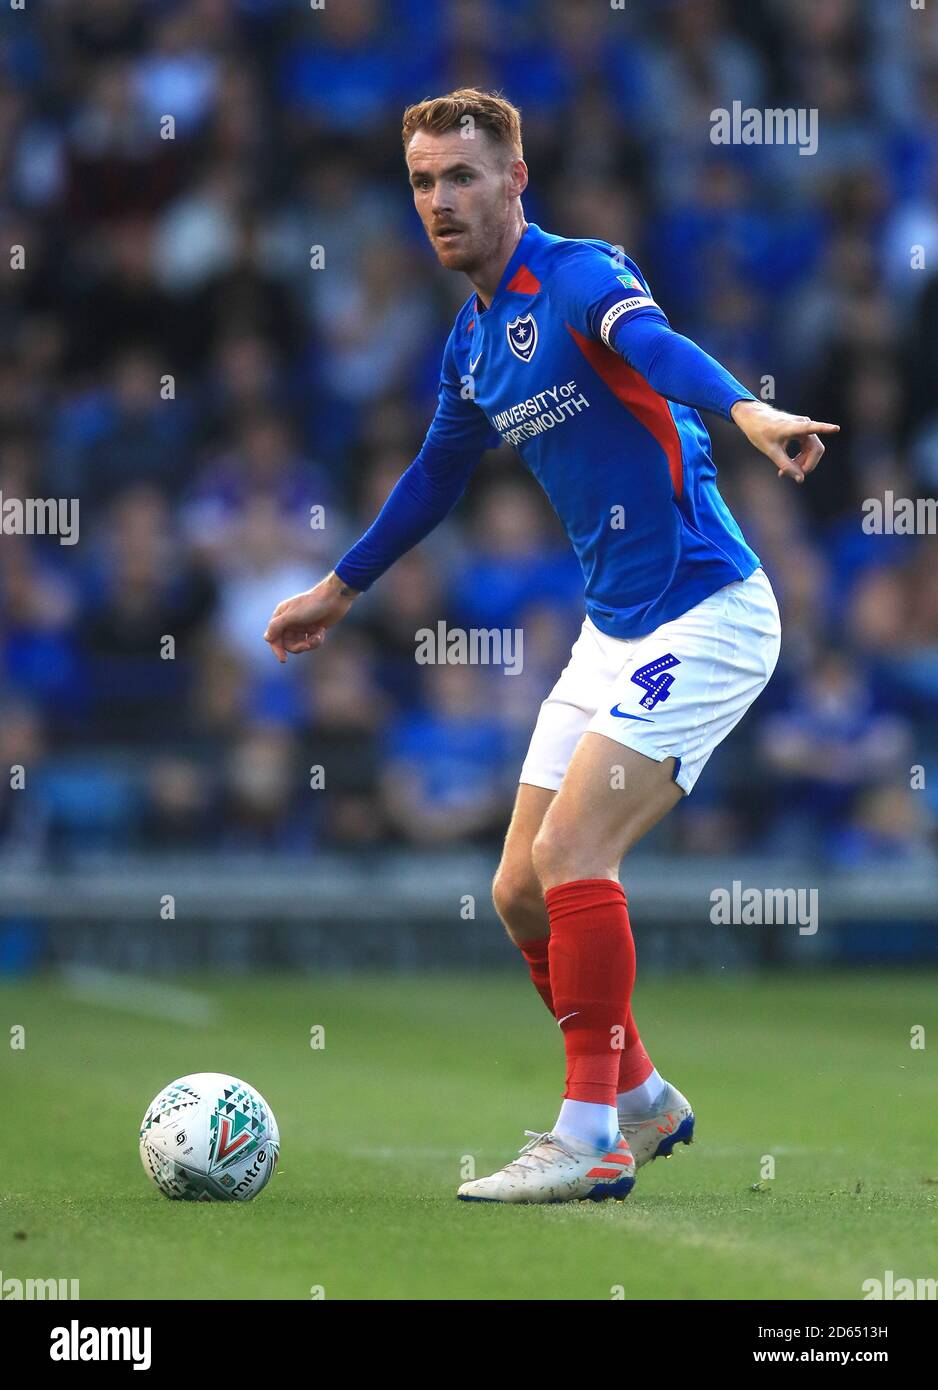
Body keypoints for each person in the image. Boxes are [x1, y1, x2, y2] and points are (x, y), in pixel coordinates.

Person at [264, 89, 838, 1204]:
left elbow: (653, 345)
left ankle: (588, 1138)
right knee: (517, 890)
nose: (441, 200)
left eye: (463, 177)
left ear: (514, 179)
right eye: (424, 181)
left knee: (574, 856)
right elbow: (435, 474)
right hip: (611, 629)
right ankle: (639, 1093)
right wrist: (339, 589)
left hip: (706, 609)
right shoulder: (472, 342)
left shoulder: (576, 275)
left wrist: (745, 412)